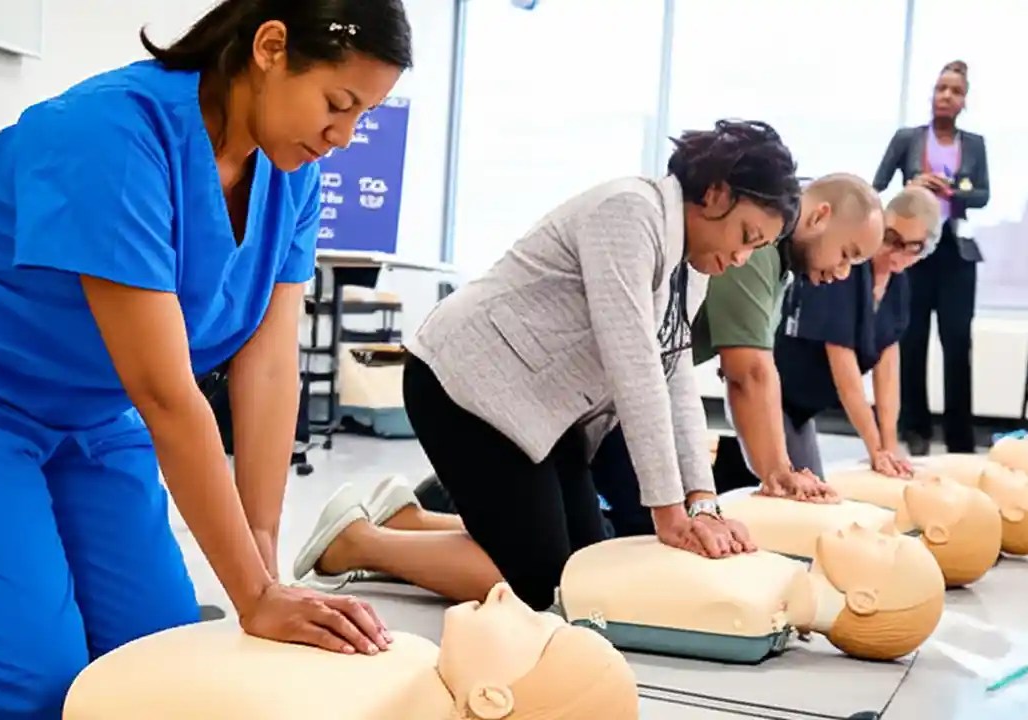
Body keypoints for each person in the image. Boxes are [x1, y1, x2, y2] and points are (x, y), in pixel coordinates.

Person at [0, 1, 412, 717]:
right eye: (339, 105)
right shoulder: (111, 135)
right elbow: (164, 393)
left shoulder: (290, 175)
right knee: (27, 689)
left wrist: (263, 559)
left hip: (86, 407)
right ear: (270, 48)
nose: (344, 137)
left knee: (149, 657)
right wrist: (250, 595)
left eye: (362, 116)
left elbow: (270, 368)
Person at [295, 121, 801, 612]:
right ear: (714, 194)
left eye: (756, 248)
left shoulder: (690, 267)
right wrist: (669, 514)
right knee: (546, 586)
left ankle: (408, 521)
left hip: (542, 413)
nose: (741, 257)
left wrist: (703, 503)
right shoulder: (630, 212)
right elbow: (636, 367)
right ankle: (355, 543)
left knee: (588, 561)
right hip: (467, 387)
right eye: (747, 235)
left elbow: (675, 378)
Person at [593, 173, 885, 536]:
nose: (842, 273)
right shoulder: (760, 249)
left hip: (629, 392)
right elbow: (747, 372)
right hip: (610, 394)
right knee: (640, 530)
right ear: (819, 216)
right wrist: (779, 471)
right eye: (846, 255)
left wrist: (776, 470)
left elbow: (710, 366)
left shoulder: (781, 263)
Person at [771, 187, 942, 478]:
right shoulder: (842, 269)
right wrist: (874, 448)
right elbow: (845, 373)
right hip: (771, 395)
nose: (896, 254)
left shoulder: (898, 285)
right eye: (891, 239)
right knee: (795, 489)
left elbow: (887, 370)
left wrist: (890, 446)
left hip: (803, 409)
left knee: (812, 483)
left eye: (911, 246)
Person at [873, 60, 990, 456]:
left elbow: (984, 195)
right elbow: (876, 187)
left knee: (957, 344)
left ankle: (960, 439)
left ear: (964, 101)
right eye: (941, 88)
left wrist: (952, 191)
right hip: (913, 253)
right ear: (932, 94)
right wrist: (913, 185)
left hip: (956, 256)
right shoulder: (908, 139)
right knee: (912, 340)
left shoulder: (973, 144)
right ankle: (914, 430)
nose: (946, 96)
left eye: (955, 91)